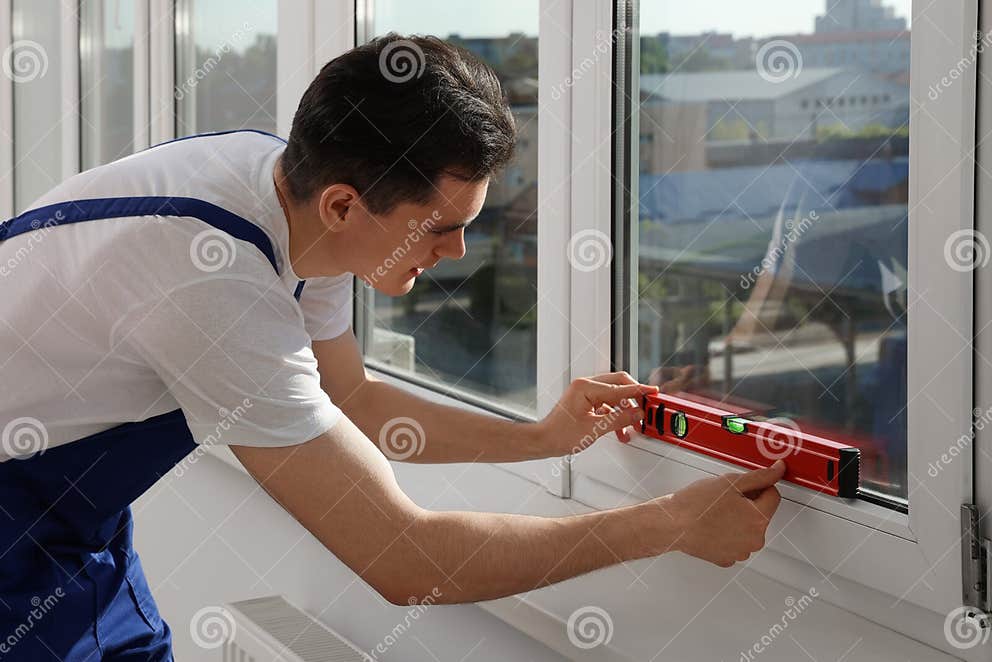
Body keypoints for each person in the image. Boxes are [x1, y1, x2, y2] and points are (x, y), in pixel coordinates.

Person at [0, 34, 784, 661]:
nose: (460, 252)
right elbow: (405, 561)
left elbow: (354, 399)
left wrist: (541, 439)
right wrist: (665, 526)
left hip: (70, 525)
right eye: (442, 228)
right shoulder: (209, 283)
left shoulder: (295, 198)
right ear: (345, 206)